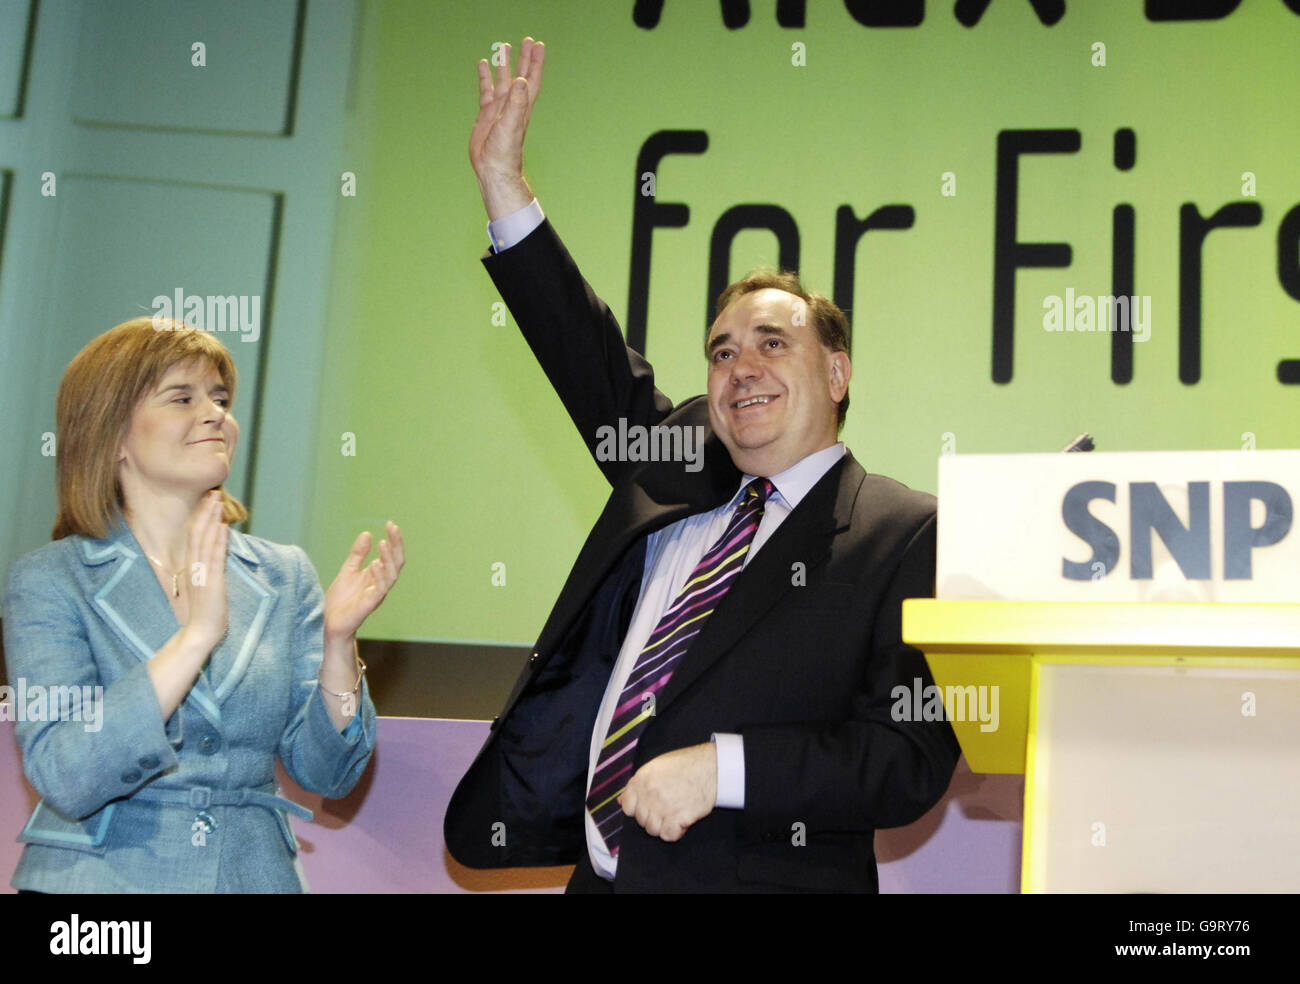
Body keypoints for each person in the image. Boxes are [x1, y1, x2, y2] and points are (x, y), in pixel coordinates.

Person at [444, 39, 960, 892]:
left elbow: (904, 757)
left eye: (772, 343)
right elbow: (586, 354)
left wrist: (724, 770)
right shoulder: (680, 466)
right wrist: (505, 184)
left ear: (837, 372)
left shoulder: (904, 533)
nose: (740, 367)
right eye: (721, 352)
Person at [3, 317, 404, 893]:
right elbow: (66, 773)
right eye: (182, 397)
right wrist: (196, 637)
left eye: (220, 398)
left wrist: (338, 647)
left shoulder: (282, 574)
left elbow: (329, 774)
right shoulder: (50, 580)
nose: (215, 413)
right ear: (112, 433)